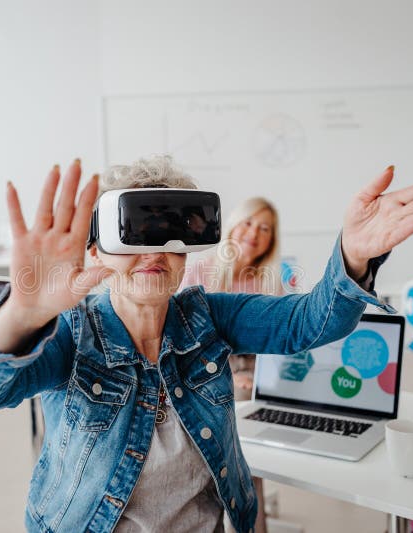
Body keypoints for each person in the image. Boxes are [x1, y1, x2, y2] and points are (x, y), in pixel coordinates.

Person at [0, 156, 413, 532]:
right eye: (136, 232)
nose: (154, 252)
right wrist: (24, 313)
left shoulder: (207, 315)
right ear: (96, 250)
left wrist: (353, 257)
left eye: (171, 234)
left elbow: (307, 324)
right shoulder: (72, 333)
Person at [182, 196, 282, 532]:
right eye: (249, 222)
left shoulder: (269, 282)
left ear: (271, 240)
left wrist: (256, 377)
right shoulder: (199, 272)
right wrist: (232, 374)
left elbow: (278, 347)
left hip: (257, 375)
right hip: (205, 375)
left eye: (265, 228)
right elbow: (185, 342)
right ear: (233, 225)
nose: (254, 233)